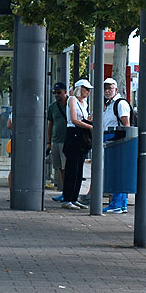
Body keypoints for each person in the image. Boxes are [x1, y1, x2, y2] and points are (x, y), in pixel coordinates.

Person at [61, 79, 93, 210]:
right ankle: (68, 198)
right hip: (73, 134)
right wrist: (90, 127)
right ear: (80, 88)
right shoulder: (72, 100)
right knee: (72, 168)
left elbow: (82, 118)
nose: (88, 92)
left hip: (81, 136)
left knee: (79, 169)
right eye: (86, 89)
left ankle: (74, 197)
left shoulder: (84, 103)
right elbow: (74, 119)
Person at [101, 77, 132, 213]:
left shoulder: (120, 104)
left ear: (116, 90)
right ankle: (120, 204)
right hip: (113, 139)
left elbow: (126, 124)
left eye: (110, 88)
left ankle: (117, 204)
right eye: (105, 88)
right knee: (117, 172)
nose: (107, 90)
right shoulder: (110, 104)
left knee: (117, 172)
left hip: (117, 140)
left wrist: (124, 143)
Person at [46, 82, 69, 198]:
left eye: (59, 92)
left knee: (67, 168)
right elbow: (50, 124)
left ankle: (68, 192)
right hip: (56, 141)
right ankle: (65, 191)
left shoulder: (71, 104)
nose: (57, 95)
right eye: (55, 93)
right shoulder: (53, 107)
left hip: (67, 141)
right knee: (60, 168)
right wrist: (49, 142)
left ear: (65, 92)